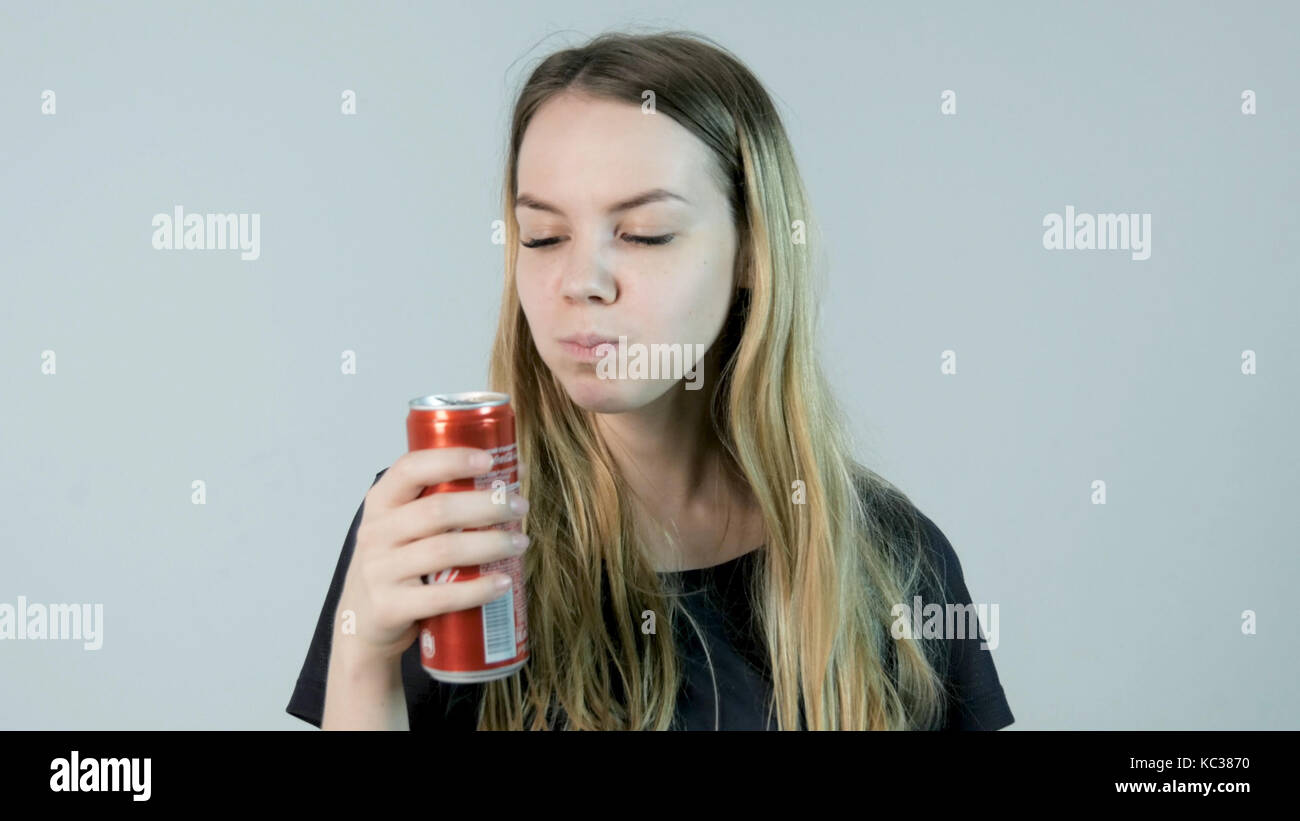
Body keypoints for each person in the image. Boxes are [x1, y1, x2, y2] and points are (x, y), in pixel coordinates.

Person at [287, 29, 1014, 731]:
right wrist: (362, 664)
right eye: (543, 236)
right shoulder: (444, 531)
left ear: (752, 252)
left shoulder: (891, 557)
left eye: (644, 233)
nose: (582, 281)